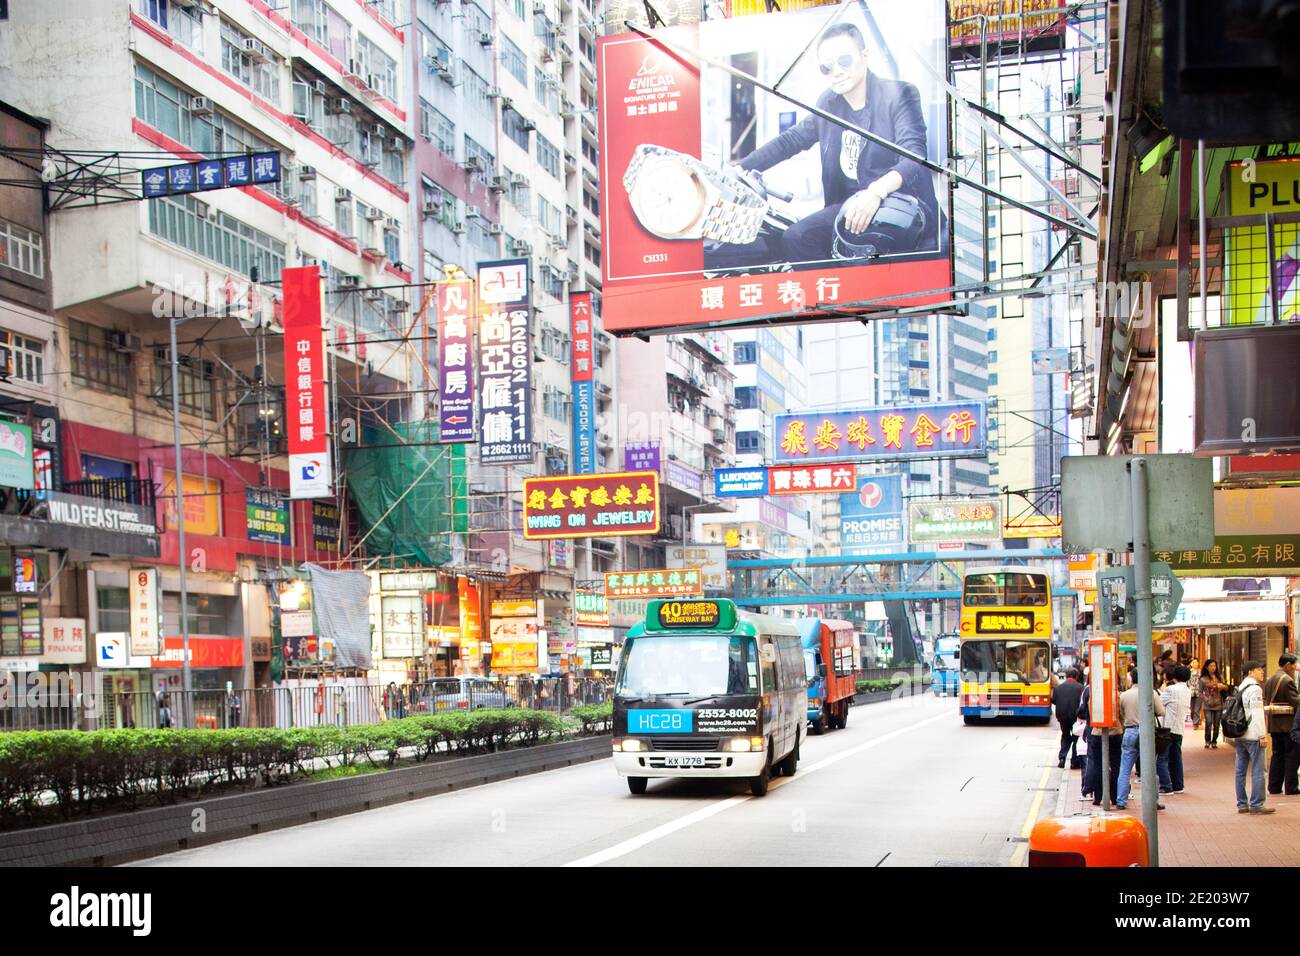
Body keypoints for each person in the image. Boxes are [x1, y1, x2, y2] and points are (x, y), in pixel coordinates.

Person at [723, 22, 940, 269]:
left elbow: (914, 156)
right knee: (789, 235)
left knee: (799, 238)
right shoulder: (829, 104)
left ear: (864, 55)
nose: (836, 71)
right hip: (849, 208)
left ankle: (841, 299)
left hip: (901, 206)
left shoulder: (898, 94)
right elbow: (791, 140)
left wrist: (875, 192)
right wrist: (739, 169)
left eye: (844, 60)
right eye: (827, 66)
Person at [1116, 667, 1166, 811]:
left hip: (1130, 731)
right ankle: (1153, 800)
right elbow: (1162, 712)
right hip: (1147, 733)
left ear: (1132, 678)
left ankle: (1121, 800)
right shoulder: (1151, 693)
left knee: (1125, 769)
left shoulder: (1124, 695)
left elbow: (1120, 714)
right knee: (1151, 768)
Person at [1234, 660, 1273, 814]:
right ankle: (1257, 804)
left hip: (1240, 734)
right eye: (1259, 670)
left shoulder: (1240, 687)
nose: (1262, 672)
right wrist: (1262, 736)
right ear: (1250, 672)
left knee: (1240, 770)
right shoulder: (1255, 689)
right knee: (1259, 770)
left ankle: (1242, 804)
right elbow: (1257, 714)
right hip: (1253, 735)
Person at [1080, 677, 1122, 805]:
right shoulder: (1117, 695)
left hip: (1097, 732)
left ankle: (1098, 797)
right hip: (1115, 732)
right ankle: (1114, 797)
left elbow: (1088, 714)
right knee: (1116, 766)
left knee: (1098, 766)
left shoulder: (1094, 696)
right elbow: (1122, 714)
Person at [1262, 653, 1300, 796]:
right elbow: (1296, 702)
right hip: (1287, 724)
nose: (1295, 668)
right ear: (1287, 665)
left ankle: (1274, 786)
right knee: (1291, 755)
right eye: (1294, 665)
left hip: (1274, 724)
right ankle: (1291, 787)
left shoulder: (1271, 678)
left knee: (1277, 755)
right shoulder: (1287, 681)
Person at [1158, 665, 1192, 794]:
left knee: (1162, 759)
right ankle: (1178, 785)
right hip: (1179, 728)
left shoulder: (1171, 689)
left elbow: (1159, 704)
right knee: (1176, 758)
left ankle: (1166, 785)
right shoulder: (1187, 690)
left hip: (1168, 728)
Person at [1051, 666, 1085, 769]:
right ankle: (1074, 762)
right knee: (1076, 737)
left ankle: (1062, 758)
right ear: (1076, 676)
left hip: (1062, 716)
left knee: (1065, 736)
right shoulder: (1081, 688)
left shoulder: (1058, 688)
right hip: (1076, 716)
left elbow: (1053, 700)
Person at [1201, 659, 1226, 748]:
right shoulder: (1203, 678)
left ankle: (1214, 741)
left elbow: (1226, 687)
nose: (1213, 668)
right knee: (1208, 722)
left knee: (1216, 724)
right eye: (1211, 666)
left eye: (1214, 666)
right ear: (1207, 667)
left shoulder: (1220, 677)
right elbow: (1200, 691)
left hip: (1218, 703)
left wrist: (1223, 687)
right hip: (1208, 704)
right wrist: (1205, 699)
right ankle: (1207, 741)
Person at [1188, 657, 1202, 729]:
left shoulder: (1201, 672)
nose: (1194, 663)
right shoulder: (1188, 672)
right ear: (1191, 664)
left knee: (1197, 709)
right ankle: (1194, 720)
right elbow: (1187, 682)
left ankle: (1195, 724)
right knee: (1192, 710)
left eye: (1196, 662)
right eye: (1193, 662)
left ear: (1198, 663)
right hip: (1191, 692)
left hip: (1199, 692)